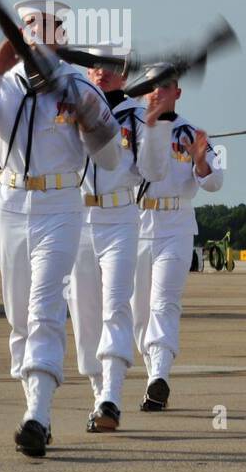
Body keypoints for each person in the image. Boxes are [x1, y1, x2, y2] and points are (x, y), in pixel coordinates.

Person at [0, 0, 121, 456]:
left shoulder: (77, 87)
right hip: (10, 206)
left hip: (60, 207)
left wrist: (88, 118)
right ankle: (35, 409)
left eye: (44, 26)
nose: (34, 33)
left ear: (60, 36)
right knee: (19, 319)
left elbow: (109, 159)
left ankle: (37, 416)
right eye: (27, 25)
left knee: (45, 307)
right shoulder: (2, 85)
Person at [67, 63, 171, 432]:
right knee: (84, 314)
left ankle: (111, 396)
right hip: (76, 220)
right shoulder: (71, 106)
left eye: (112, 67)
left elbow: (155, 171)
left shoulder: (138, 117)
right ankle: (100, 395)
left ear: (126, 75)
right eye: (95, 66)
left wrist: (159, 123)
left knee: (116, 306)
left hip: (121, 219)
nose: (102, 73)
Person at [131, 63, 225, 412]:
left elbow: (214, 182)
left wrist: (200, 161)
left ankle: (160, 377)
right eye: (151, 86)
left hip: (176, 226)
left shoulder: (190, 133)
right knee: (139, 314)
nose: (156, 91)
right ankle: (153, 374)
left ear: (177, 93)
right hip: (136, 225)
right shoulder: (129, 128)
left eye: (165, 86)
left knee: (164, 303)